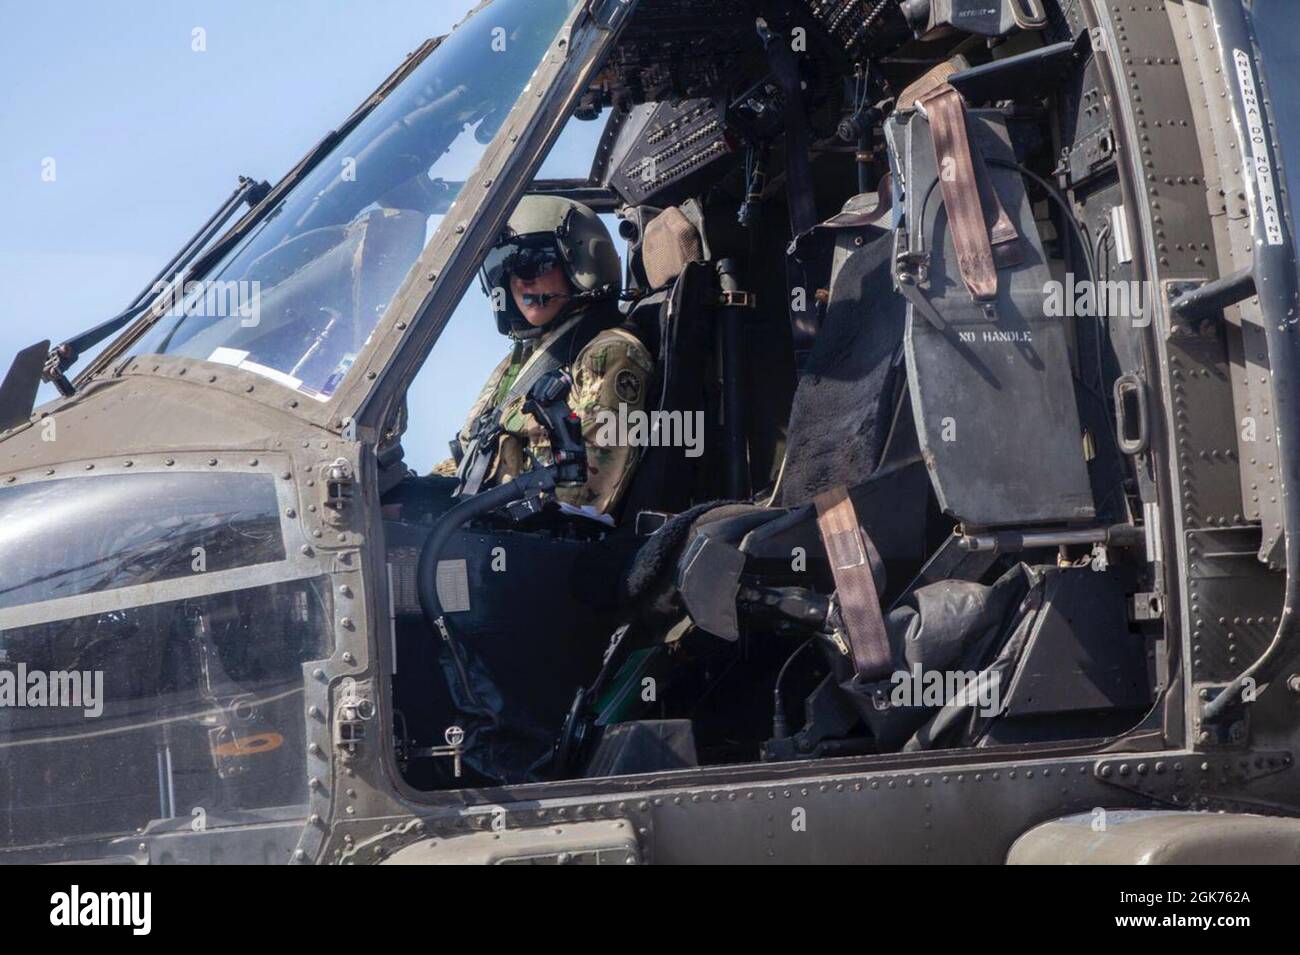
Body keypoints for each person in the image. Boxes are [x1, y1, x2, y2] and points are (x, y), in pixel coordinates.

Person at [433, 195, 653, 517]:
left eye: (534, 263)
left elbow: (589, 495)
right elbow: (473, 455)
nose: (522, 280)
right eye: (507, 267)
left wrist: (498, 518)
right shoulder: (517, 364)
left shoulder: (609, 354)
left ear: (580, 264)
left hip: (547, 549)